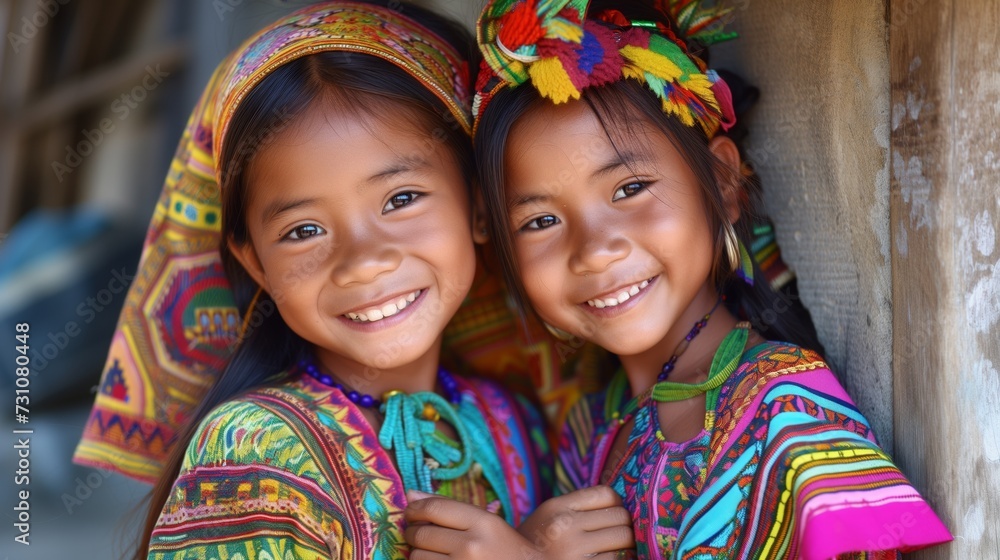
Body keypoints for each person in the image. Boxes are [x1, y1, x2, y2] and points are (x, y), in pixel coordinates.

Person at [408, 0, 954, 558]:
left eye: (629, 189)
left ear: (720, 181)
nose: (595, 251)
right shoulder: (590, 430)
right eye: (541, 221)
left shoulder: (788, 413)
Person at [118, 2, 566, 558]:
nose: (363, 261)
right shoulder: (258, 450)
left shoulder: (512, 423)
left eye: (400, 200)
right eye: (303, 230)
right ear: (255, 261)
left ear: (477, 205)